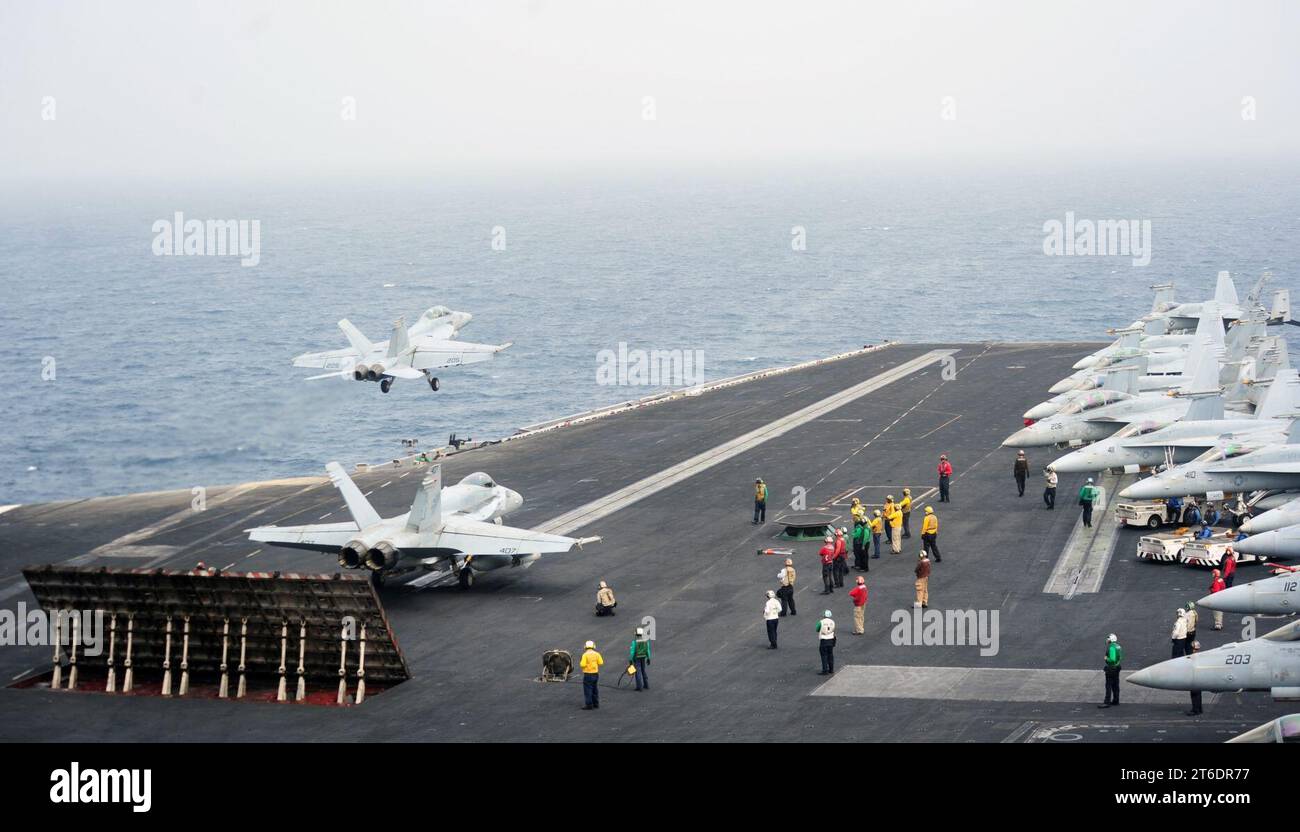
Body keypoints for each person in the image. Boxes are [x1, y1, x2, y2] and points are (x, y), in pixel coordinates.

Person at [1099, 633, 1123, 708]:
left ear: (1111, 639)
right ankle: (1116, 700)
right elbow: (1120, 657)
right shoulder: (1118, 646)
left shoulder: (1111, 647)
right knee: (1116, 685)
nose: (1107, 640)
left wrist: (1106, 659)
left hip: (1111, 668)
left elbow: (1112, 659)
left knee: (1108, 685)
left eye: (1108, 639)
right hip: (1117, 667)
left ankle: (1107, 702)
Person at [580, 640, 603, 710]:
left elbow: (582, 664)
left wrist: (587, 664)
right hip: (595, 674)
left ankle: (589, 705)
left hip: (588, 675)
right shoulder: (597, 654)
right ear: (593, 646)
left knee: (588, 690)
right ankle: (596, 704)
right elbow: (601, 663)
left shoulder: (585, 655)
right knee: (594, 689)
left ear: (585, 647)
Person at [815, 610, 837, 675]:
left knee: (824, 656)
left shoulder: (821, 622)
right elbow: (833, 629)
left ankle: (825, 670)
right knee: (830, 655)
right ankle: (831, 669)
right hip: (831, 640)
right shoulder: (833, 622)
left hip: (824, 640)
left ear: (824, 615)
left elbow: (817, 629)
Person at [1186, 640, 1203, 716]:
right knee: (1198, 694)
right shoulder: (1201, 655)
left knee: (1194, 694)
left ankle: (1195, 710)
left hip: (1194, 677)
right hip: (1199, 678)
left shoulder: (1192, 657)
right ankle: (1199, 709)